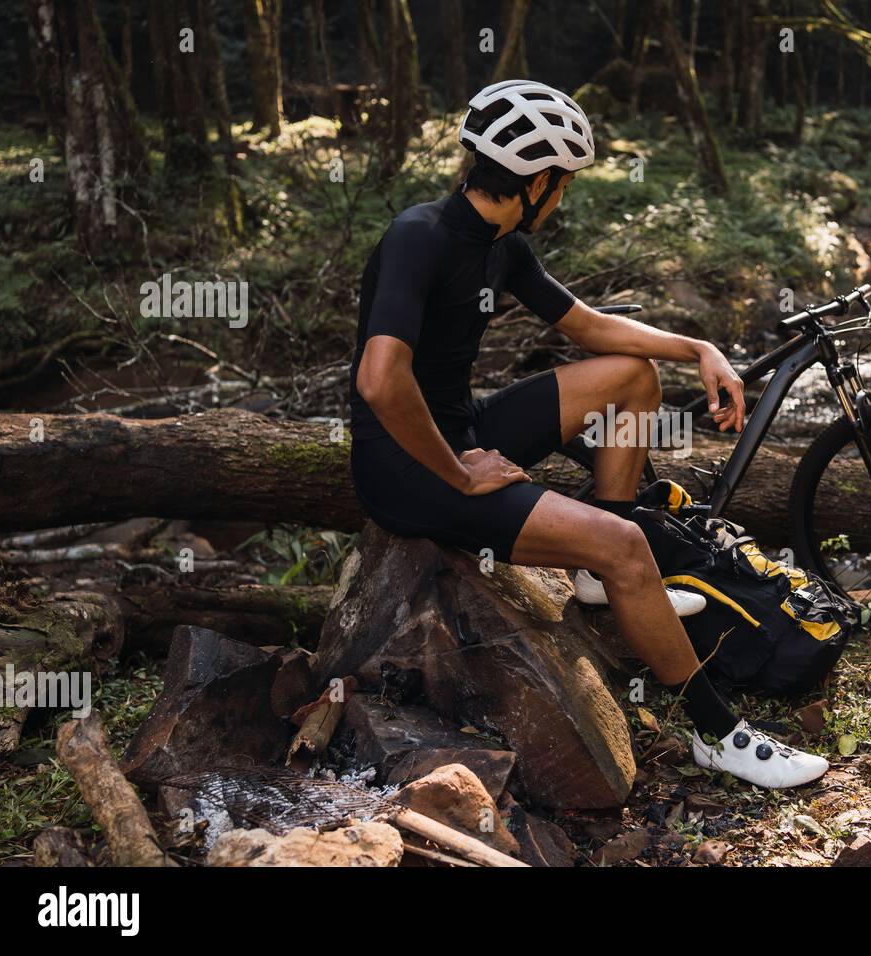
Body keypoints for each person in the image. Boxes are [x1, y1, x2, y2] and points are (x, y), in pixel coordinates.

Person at [350, 79, 828, 789]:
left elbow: (589, 327)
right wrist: (458, 472)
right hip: (409, 470)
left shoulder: (502, 244)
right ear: (538, 179)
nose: (564, 195)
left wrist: (697, 347)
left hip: (464, 427)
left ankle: (595, 577)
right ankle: (718, 732)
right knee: (629, 547)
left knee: (631, 376)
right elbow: (380, 381)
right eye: (564, 182)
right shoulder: (418, 236)